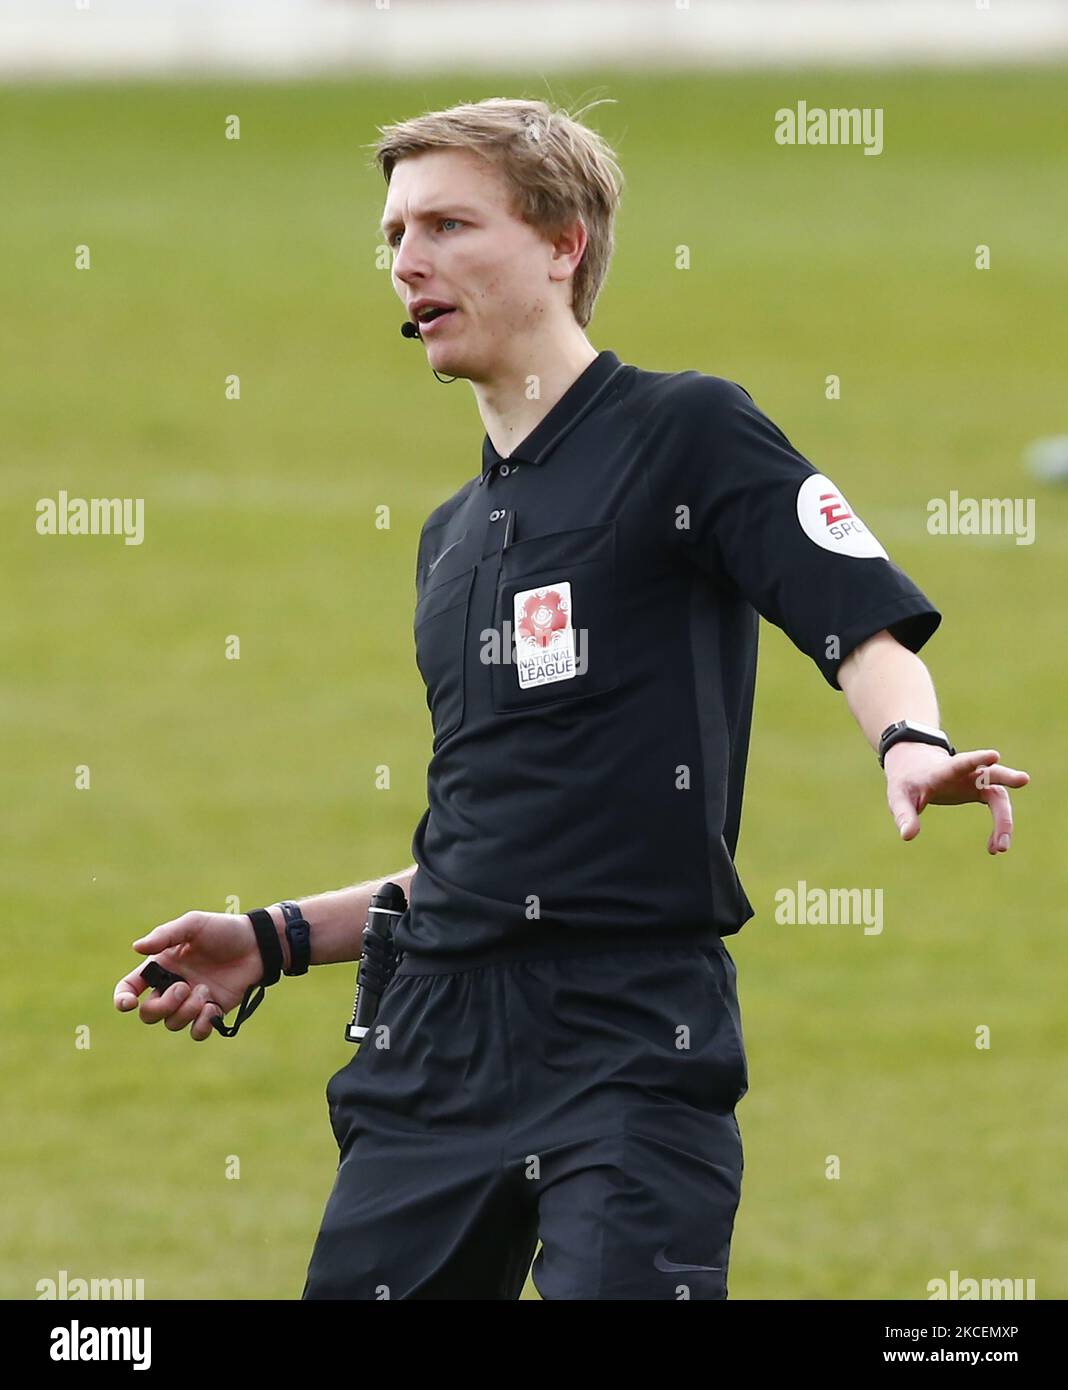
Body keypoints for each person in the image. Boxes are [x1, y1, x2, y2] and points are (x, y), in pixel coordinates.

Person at [114, 97, 1030, 1300]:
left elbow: (855, 613)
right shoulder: (450, 540)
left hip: (632, 1040)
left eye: (448, 223)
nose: (407, 259)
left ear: (564, 245)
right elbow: (492, 847)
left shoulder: (685, 432)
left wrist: (908, 739)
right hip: (432, 1049)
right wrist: (276, 939)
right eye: (394, 233)